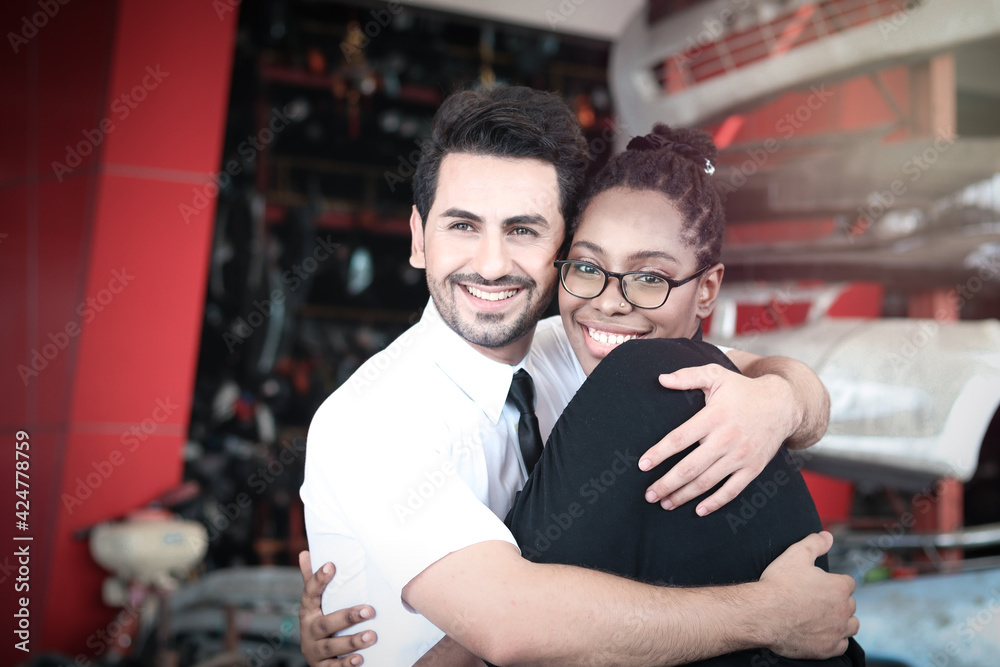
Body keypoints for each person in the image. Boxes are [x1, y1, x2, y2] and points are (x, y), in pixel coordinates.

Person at [299, 85, 856, 666]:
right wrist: (771, 615)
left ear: (561, 245)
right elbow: (509, 626)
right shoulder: (369, 417)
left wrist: (778, 401)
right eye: (462, 226)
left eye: (523, 230)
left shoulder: (579, 347)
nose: (491, 264)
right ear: (418, 239)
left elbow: (782, 381)